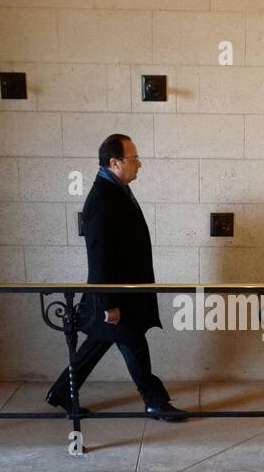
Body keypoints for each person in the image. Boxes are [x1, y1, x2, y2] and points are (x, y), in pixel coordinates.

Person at [45, 134, 189, 422]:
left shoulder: (116, 190)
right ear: (114, 163)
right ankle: (154, 401)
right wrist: (109, 301)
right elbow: (99, 256)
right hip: (116, 295)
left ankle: (61, 392)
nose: (140, 164)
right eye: (133, 159)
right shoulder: (102, 198)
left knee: (98, 344)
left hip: (123, 292)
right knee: (133, 343)